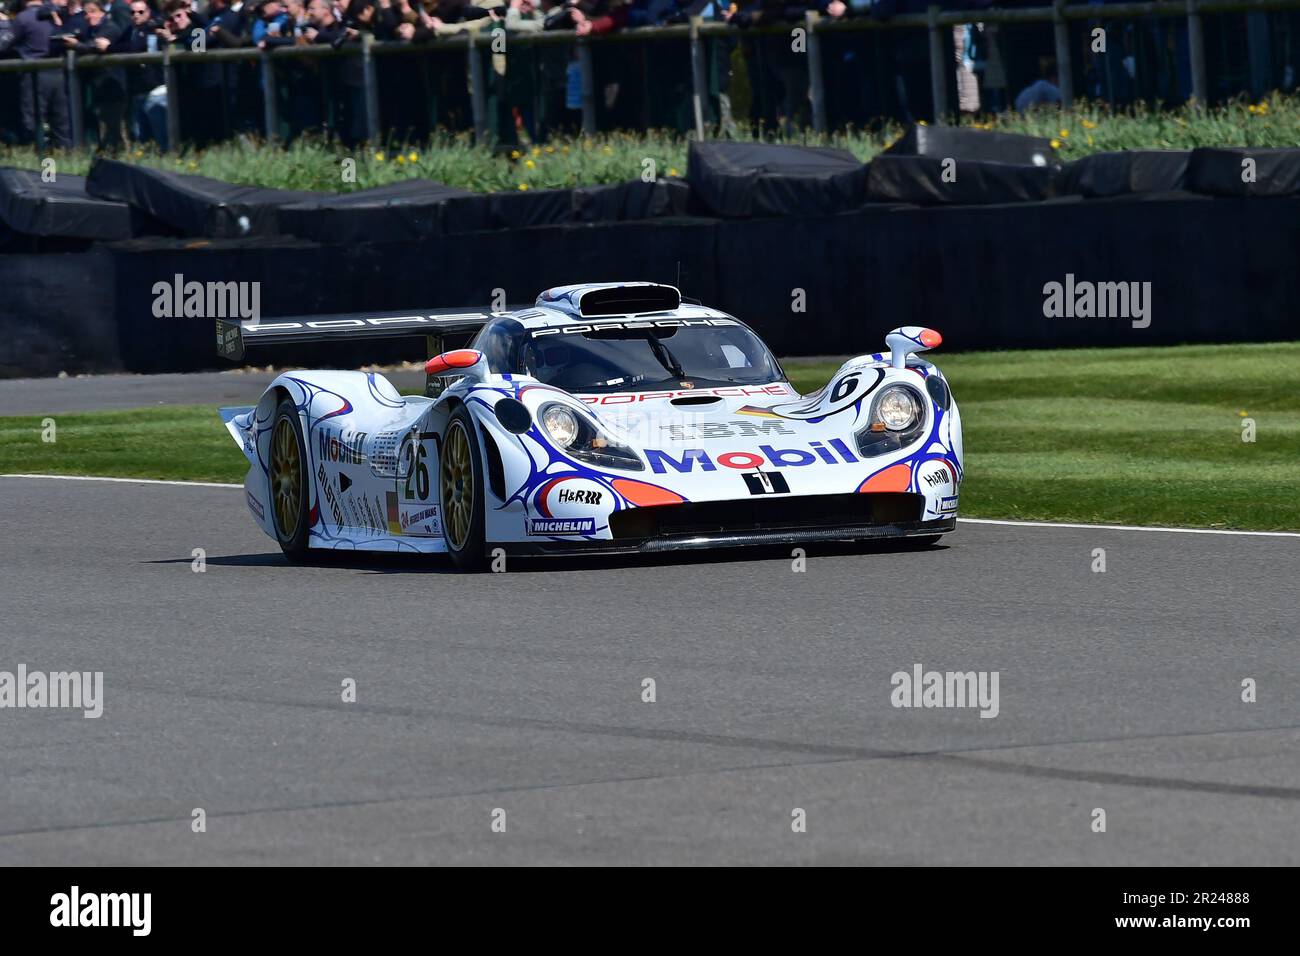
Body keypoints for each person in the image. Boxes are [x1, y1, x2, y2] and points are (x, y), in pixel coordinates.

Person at [62, 0, 129, 147]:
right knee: (104, 128)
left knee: (116, 129)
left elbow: (95, 46)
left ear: (102, 12)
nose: (88, 16)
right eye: (86, 13)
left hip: (113, 86)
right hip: (99, 87)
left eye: (93, 11)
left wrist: (76, 45)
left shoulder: (110, 28)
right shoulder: (90, 30)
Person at [11, 0, 72, 147]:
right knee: (60, 119)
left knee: (33, 118)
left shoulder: (23, 18)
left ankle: (37, 155)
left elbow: (6, 43)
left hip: (34, 73)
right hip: (58, 70)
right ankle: (66, 156)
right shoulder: (56, 14)